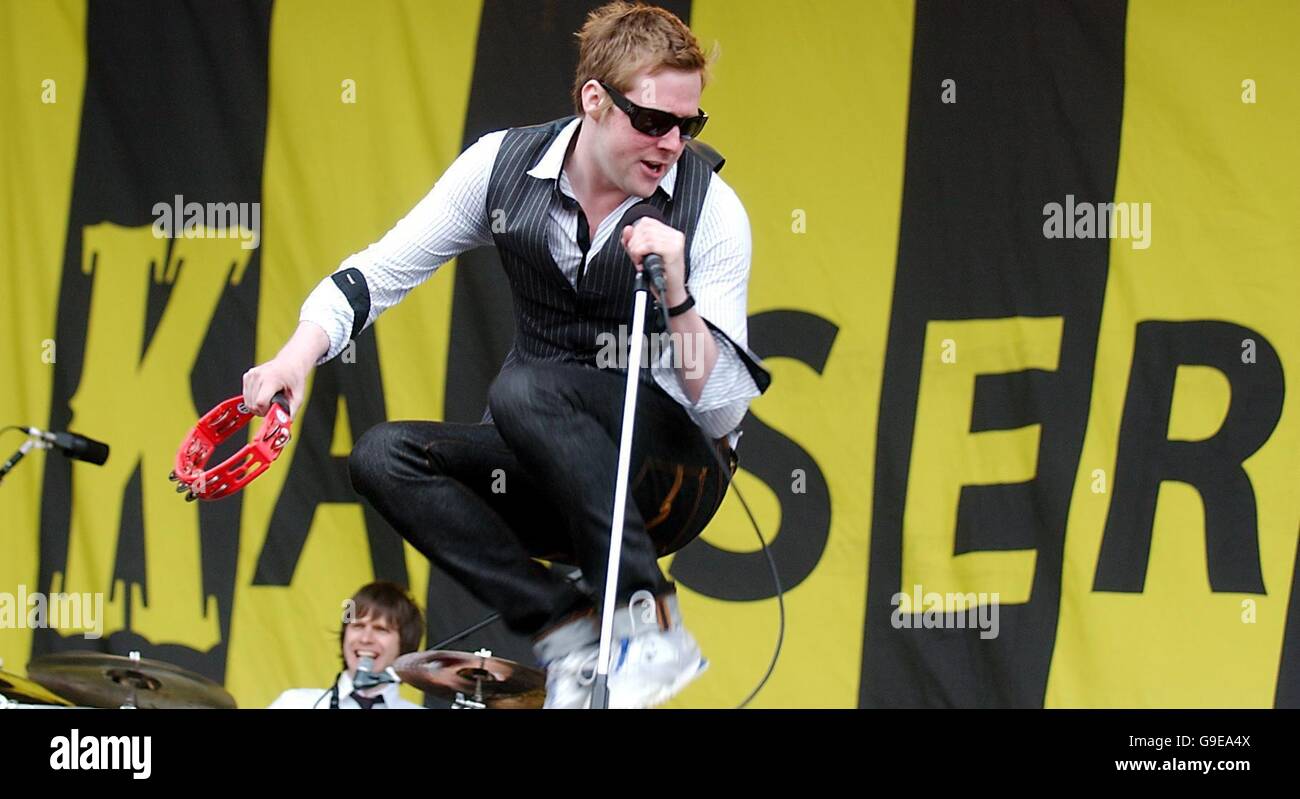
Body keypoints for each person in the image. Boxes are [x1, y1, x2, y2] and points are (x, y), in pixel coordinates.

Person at [244, 1, 769, 709]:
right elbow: (381, 270)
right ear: (594, 100)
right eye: (653, 121)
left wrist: (676, 293)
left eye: (689, 124)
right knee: (382, 455)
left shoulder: (710, 210)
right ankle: (569, 620)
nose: (672, 142)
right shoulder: (501, 166)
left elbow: (722, 406)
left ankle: (651, 619)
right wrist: (293, 357)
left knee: (525, 390)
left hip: (669, 481)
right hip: (550, 467)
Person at [268, 581, 426, 709]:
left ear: (405, 644)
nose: (365, 639)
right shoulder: (295, 704)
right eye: (358, 626)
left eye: (381, 629)